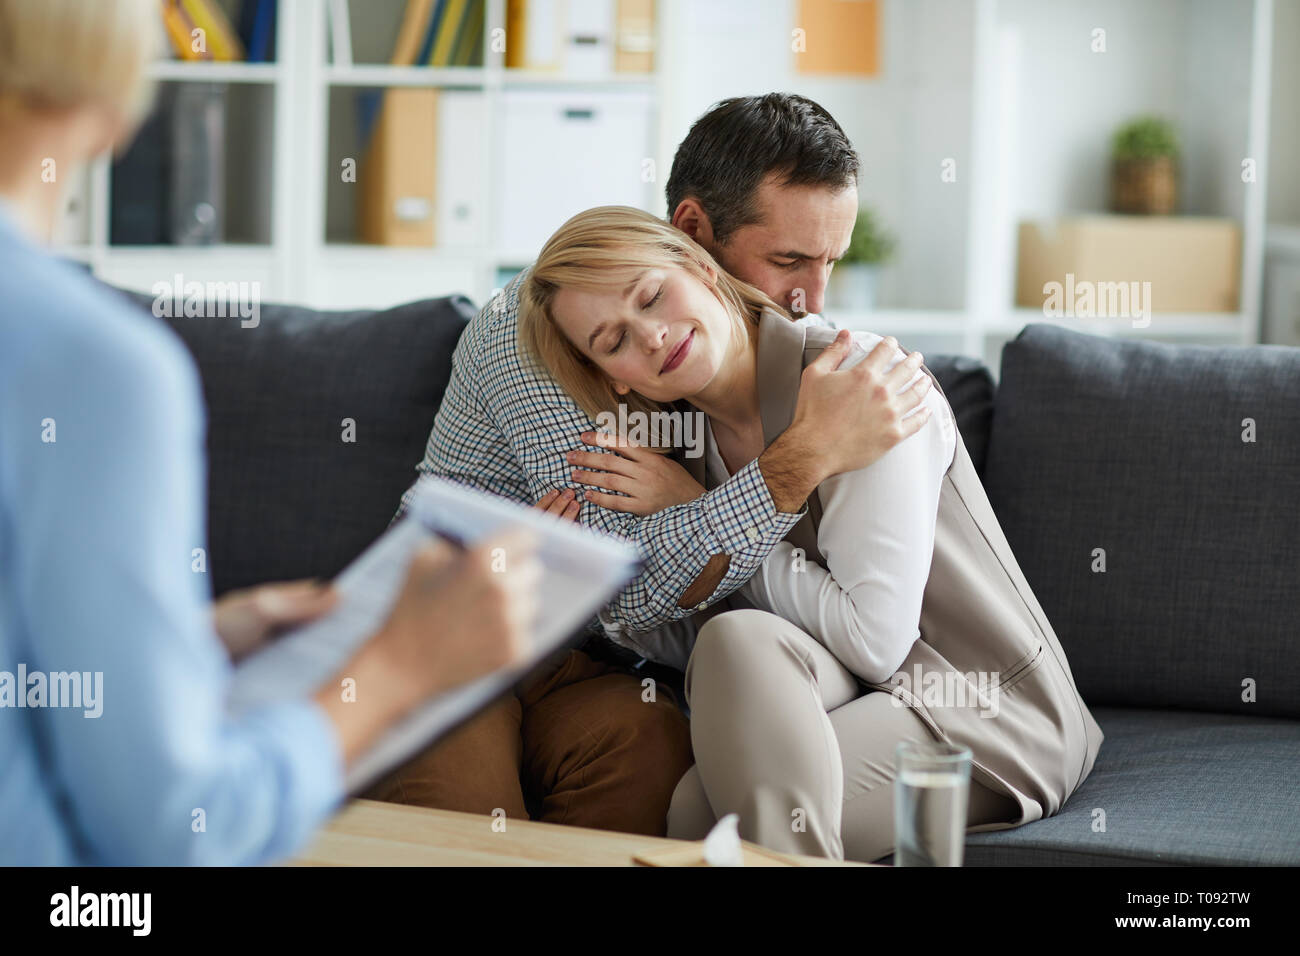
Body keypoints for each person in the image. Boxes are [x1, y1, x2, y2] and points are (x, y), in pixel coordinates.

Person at [0, 0, 540, 865]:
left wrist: (191, 641)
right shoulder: (93, 367)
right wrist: (399, 666)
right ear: (114, 101)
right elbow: (179, 831)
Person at [377, 94, 935, 835]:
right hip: (450, 628)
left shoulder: (727, 368)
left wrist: (686, 514)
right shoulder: (546, 328)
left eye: (830, 260)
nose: (813, 301)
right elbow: (634, 589)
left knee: (652, 755)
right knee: (468, 820)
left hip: (579, 659)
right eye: (787, 261)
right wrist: (792, 466)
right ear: (694, 235)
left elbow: (659, 608)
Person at [515, 204, 1106, 862]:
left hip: (978, 706)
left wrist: (711, 509)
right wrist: (590, 586)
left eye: (651, 296)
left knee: (699, 822)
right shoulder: (678, 445)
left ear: (698, 266)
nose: (650, 336)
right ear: (613, 378)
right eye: (614, 342)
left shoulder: (859, 385)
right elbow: (706, 641)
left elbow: (873, 644)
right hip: (842, 694)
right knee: (729, 650)